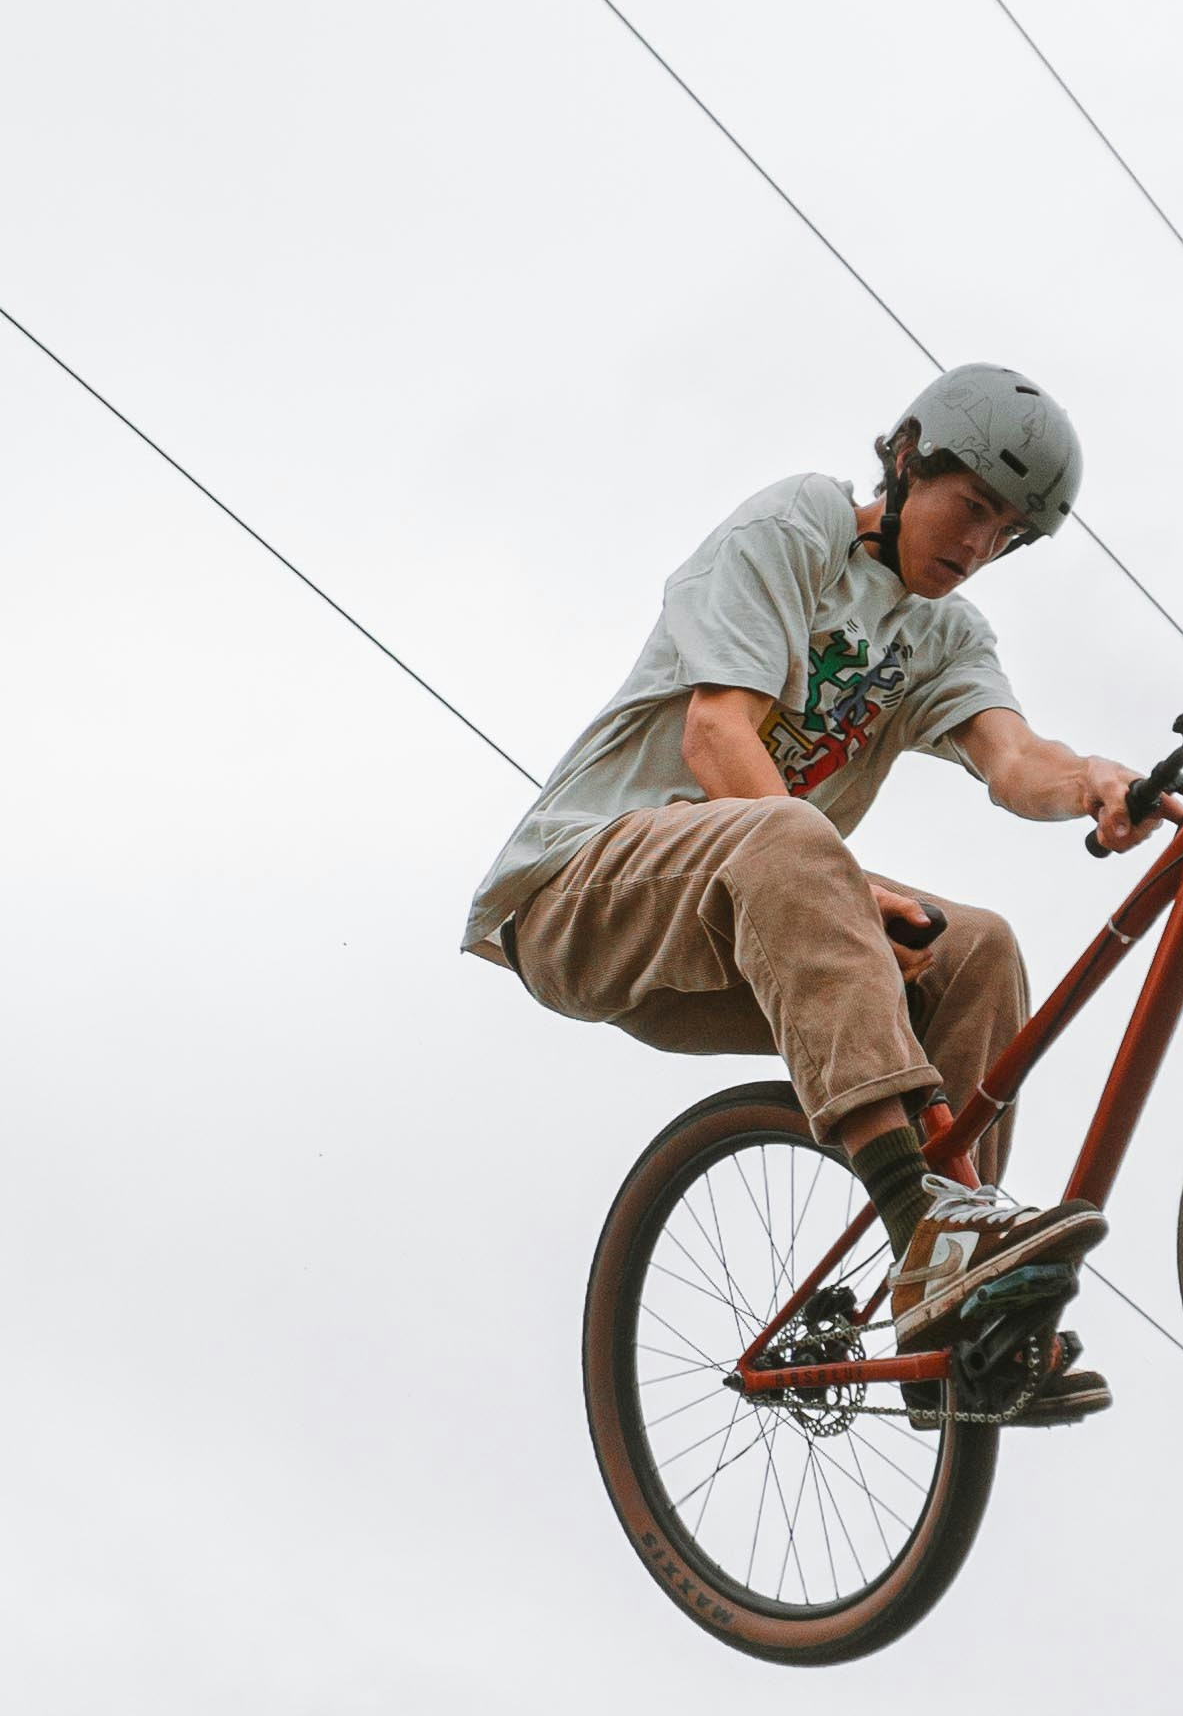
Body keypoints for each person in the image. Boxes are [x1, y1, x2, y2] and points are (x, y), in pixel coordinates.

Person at [466, 364, 1135, 1420]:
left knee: (977, 949)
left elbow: (1012, 760)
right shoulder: (801, 527)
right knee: (793, 836)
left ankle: (950, 1296)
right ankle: (923, 1216)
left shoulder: (945, 637)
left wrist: (1094, 781)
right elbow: (716, 730)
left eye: (1005, 535)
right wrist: (842, 886)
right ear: (910, 459)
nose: (976, 547)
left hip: (727, 932)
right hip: (577, 895)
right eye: (970, 509)